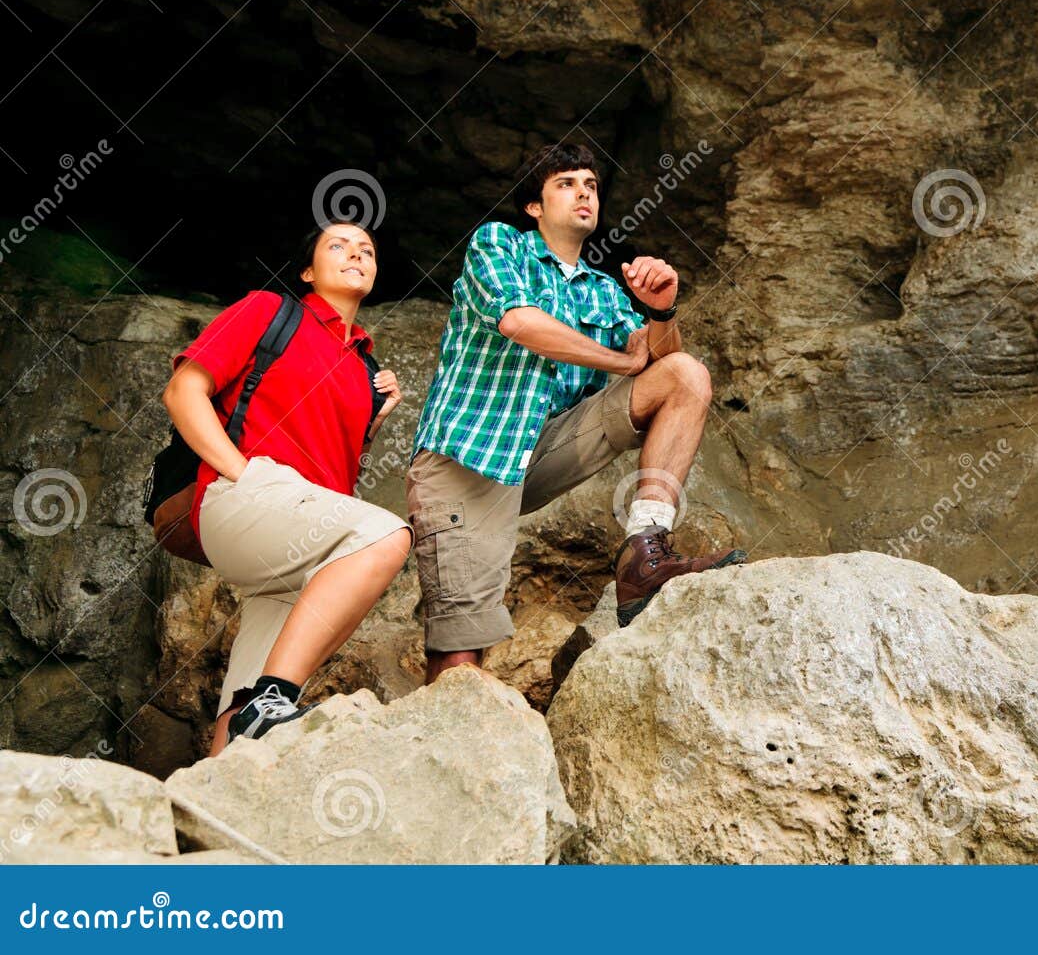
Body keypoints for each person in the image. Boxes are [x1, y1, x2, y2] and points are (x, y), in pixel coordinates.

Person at [407, 142, 745, 683]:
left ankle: (645, 549)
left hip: (542, 451)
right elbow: (521, 324)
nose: (584, 192)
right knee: (459, 658)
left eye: (590, 185)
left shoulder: (601, 289)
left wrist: (661, 311)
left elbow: (662, 362)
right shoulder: (499, 244)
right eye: (566, 183)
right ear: (534, 206)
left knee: (687, 374)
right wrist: (618, 358)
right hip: (468, 463)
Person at [162, 221, 412, 754]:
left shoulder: (364, 364)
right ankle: (276, 697)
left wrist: (375, 417)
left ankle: (209, 805)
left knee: (244, 712)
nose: (357, 254)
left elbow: (338, 473)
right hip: (246, 495)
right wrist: (240, 471)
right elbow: (184, 390)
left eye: (367, 250)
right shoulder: (270, 311)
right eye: (338, 246)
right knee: (387, 535)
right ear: (307, 270)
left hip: (297, 539)